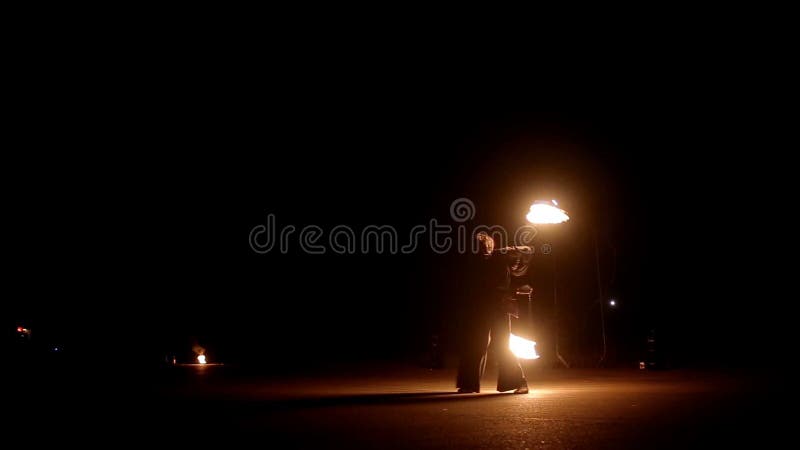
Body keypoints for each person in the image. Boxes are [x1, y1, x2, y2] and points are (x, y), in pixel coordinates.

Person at [456, 232, 531, 394]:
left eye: (487, 245)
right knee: (474, 344)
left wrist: (509, 249)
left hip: (498, 307)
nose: (484, 249)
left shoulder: (501, 258)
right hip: (480, 307)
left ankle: (519, 382)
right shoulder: (473, 263)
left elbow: (528, 250)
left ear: (492, 246)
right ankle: (468, 384)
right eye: (480, 246)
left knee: (502, 344)